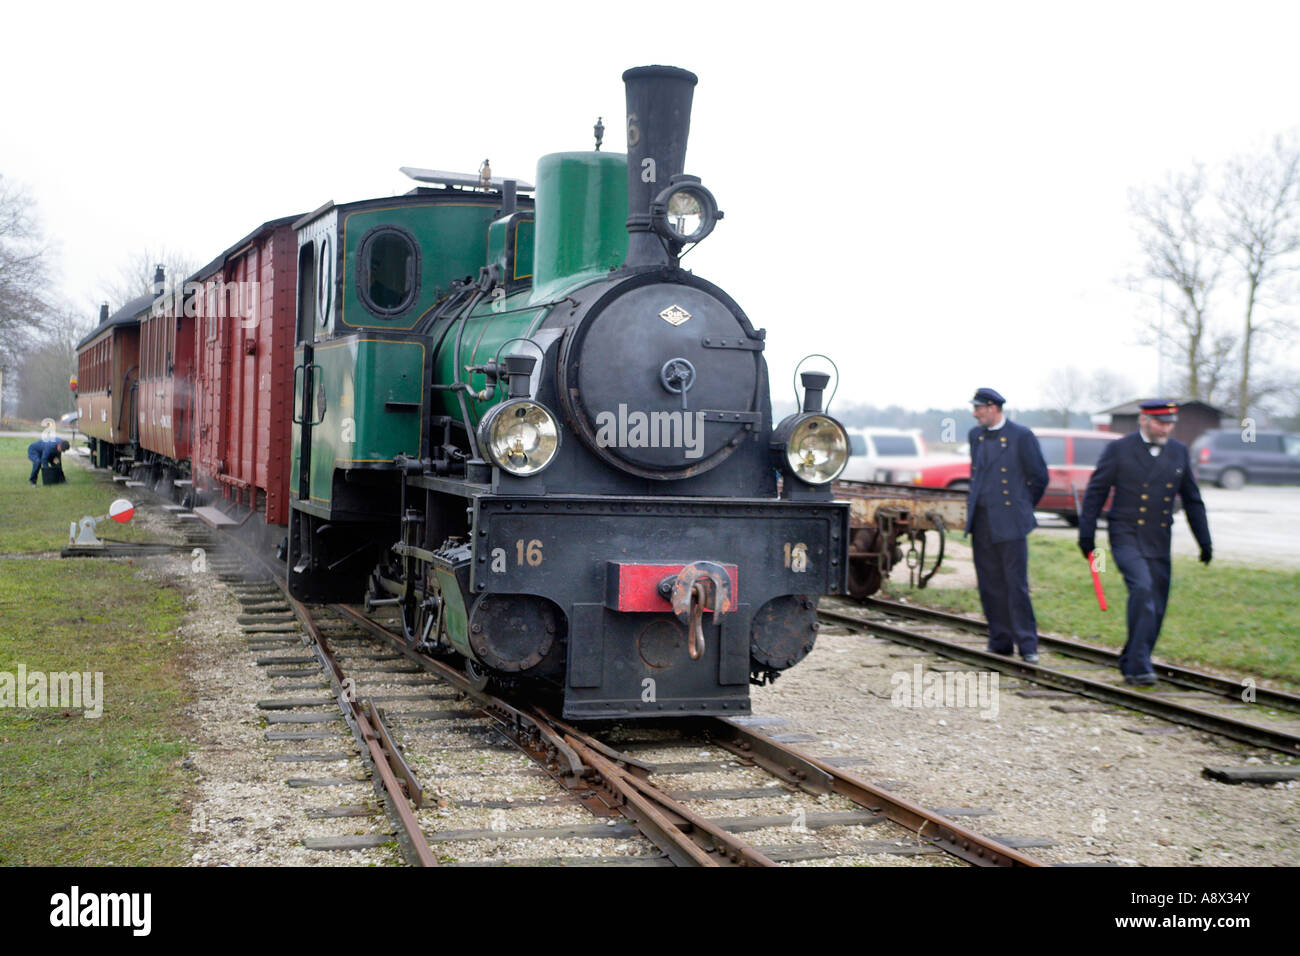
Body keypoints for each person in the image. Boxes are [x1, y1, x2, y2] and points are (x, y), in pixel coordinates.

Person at [1077, 400, 1211, 686]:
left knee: (1157, 603)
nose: (1165, 429)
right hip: (1125, 533)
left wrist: (1204, 540)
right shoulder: (1119, 449)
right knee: (1142, 589)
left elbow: (1192, 499)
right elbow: (1096, 491)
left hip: (1159, 537)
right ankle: (1139, 666)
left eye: (1169, 424)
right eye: (1160, 423)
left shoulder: (1178, 451)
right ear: (1144, 420)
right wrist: (1086, 533)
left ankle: (1134, 657)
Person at [964, 388, 1049, 662]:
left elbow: (1039, 477)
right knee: (989, 584)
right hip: (982, 520)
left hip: (1011, 521)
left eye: (978, 408)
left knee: (1015, 585)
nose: (975, 414)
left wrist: (1021, 506)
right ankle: (999, 640)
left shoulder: (1021, 436)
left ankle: (1027, 645)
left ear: (993, 408)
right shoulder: (975, 436)